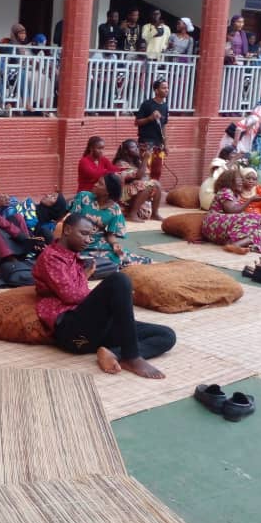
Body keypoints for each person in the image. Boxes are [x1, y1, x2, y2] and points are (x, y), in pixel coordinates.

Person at [32, 213, 174, 378]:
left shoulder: (74, 257)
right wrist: (109, 297)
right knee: (119, 280)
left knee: (166, 335)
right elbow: (70, 296)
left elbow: (74, 290)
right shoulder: (51, 257)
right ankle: (131, 357)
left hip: (95, 328)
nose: (88, 240)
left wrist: (89, 279)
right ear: (68, 230)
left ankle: (114, 354)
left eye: (90, 236)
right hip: (72, 330)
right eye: (84, 234)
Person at [69, 173, 152, 268]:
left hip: (99, 245)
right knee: (78, 261)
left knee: (120, 257)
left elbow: (110, 235)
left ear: (107, 192)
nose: (95, 184)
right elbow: (71, 220)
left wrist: (115, 244)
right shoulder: (83, 197)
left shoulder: (114, 209)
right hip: (78, 242)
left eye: (100, 184)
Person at [202, 169, 261, 254]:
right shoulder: (225, 191)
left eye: (242, 180)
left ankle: (234, 244)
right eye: (238, 181)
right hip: (213, 223)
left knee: (260, 228)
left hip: (223, 227)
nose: (241, 183)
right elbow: (232, 211)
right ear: (229, 181)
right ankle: (235, 244)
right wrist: (251, 200)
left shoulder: (235, 194)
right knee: (256, 218)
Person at [113, 139, 164, 222]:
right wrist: (145, 159)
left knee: (156, 184)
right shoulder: (120, 163)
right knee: (147, 185)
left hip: (134, 190)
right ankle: (132, 214)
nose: (137, 148)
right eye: (134, 147)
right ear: (126, 151)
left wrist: (142, 157)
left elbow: (146, 175)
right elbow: (138, 176)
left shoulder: (136, 161)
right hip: (123, 193)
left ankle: (155, 214)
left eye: (137, 146)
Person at [135, 79, 169, 181]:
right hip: (146, 143)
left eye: (167, 87)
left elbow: (163, 126)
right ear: (156, 90)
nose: (167, 90)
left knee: (157, 171)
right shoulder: (147, 104)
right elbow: (137, 122)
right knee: (146, 171)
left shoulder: (165, 106)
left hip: (159, 144)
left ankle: (154, 194)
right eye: (164, 88)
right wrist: (150, 118)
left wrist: (166, 144)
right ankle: (144, 194)